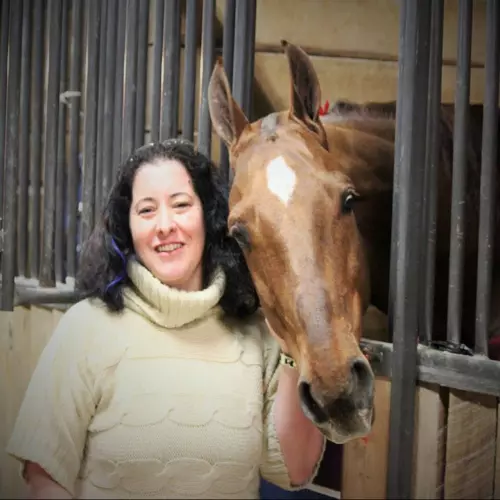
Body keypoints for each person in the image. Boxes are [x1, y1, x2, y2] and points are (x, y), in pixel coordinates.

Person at [6, 139, 327, 499]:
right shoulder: (85, 328)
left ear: (209, 216)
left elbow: (294, 470)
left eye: (181, 205)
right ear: (127, 228)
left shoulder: (254, 332)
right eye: (146, 211)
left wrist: (290, 351)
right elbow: (43, 477)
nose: (164, 225)